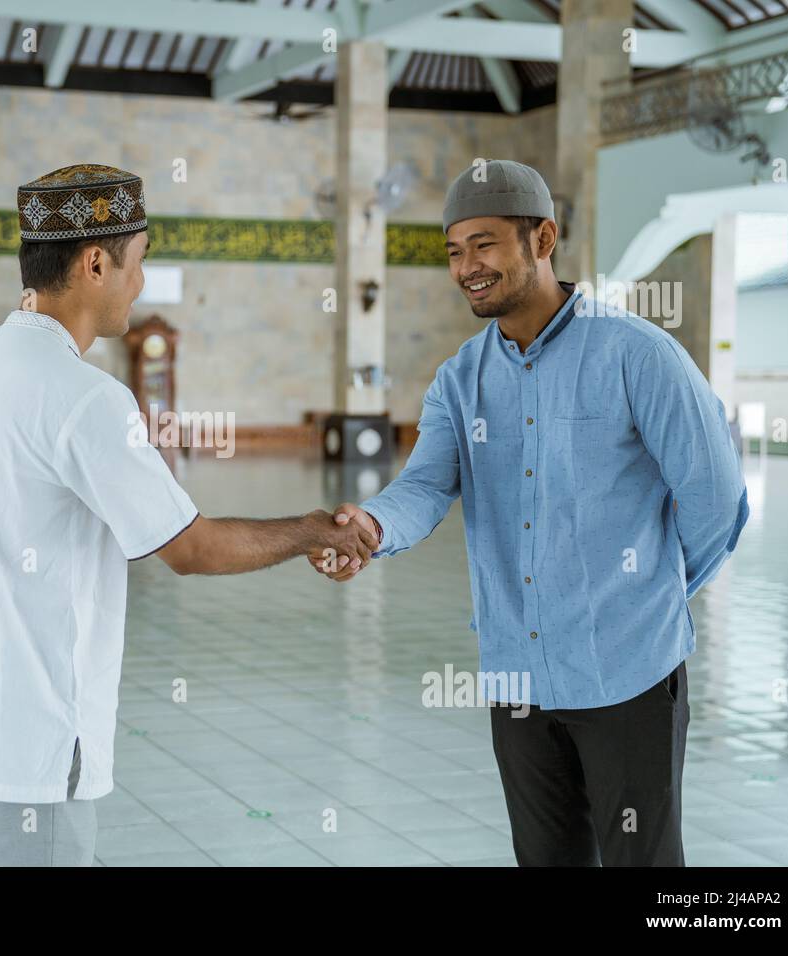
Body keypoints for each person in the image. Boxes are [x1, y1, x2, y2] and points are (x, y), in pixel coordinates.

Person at [0, 164, 376, 867]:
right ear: (95, 264)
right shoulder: (88, 399)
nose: (139, 282)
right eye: (138, 262)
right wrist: (313, 530)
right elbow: (191, 548)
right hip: (27, 765)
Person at [315, 159, 748, 866]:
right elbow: (425, 485)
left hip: (628, 673)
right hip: (517, 675)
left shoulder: (637, 355)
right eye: (455, 251)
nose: (467, 267)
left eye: (484, 244)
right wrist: (372, 526)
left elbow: (716, 498)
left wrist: (649, 598)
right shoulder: (461, 379)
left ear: (543, 239)